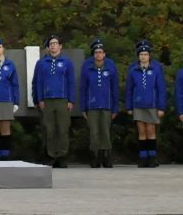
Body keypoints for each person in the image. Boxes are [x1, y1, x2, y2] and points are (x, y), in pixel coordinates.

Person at [31, 35, 75, 168]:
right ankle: (50, 156)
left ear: (60, 46)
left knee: (62, 128)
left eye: (56, 43)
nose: (53, 46)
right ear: (48, 47)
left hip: (62, 100)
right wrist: (39, 99)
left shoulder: (67, 62)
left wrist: (70, 99)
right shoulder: (41, 63)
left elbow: (71, 82)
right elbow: (37, 82)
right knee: (49, 129)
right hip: (47, 100)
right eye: (51, 44)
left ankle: (61, 156)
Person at [78, 39, 118, 168]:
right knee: (94, 132)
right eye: (96, 52)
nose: (98, 54)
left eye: (101, 52)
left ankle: (106, 156)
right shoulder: (87, 68)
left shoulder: (110, 67)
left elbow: (114, 89)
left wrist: (115, 108)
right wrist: (83, 107)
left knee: (105, 131)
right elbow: (83, 88)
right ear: (93, 54)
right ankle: (95, 156)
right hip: (92, 106)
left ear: (104, 54)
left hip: (106, 105)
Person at [126, 41, 166, 168]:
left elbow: (161, 89)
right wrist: (129, 106)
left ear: (149, 56)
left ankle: (152, 157)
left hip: (152, 104)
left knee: (151, 130)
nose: (143, 56)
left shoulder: (156, 70)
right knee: (141, 131)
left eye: (145, 54)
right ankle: (143, 158)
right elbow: (129, 90)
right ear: (138, 56)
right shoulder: (133, 71)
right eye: (141, 54)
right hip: (138, 104)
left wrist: (161, 107)